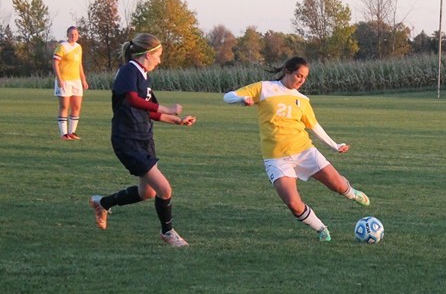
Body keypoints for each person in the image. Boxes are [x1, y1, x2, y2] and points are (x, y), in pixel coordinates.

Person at [223, 56, 370, 242]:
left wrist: (335, 145)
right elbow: (228, 96)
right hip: (276, 158)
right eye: (299, 75)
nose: (301, 80)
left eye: (305, 77)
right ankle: (321, 228)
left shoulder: (302, 99)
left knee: (338, 185)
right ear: (287, 71)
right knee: (293, 204)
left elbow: (314, 126)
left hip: (304, 151)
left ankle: (351, 193)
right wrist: (242, 99)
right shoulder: (265, 88)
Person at [88, 33, 196, 247]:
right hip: (127, 139)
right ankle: (168, 232)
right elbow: (131, 99)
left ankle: (103, 203)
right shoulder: (129, 70)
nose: (160, 60)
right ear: (148, 54)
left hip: (143, 137)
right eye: (159, 55)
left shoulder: (143, 75)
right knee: (165, 189)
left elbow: (150, 111)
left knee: (146, 192)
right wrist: (165, 107)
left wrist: (178, 121)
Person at [53, 25, 89, 139]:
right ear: (67, 35)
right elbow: (55, 63)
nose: (73, 36)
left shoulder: (78, 47)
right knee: (64, 106)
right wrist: (59, 79)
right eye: (71, 34)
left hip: (76, 81)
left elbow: (79, 64)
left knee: (77, 106)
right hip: (64, 80)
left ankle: (72, 132)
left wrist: (83, 79)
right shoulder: (62, 47)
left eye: (75, 34)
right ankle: (63, 134)